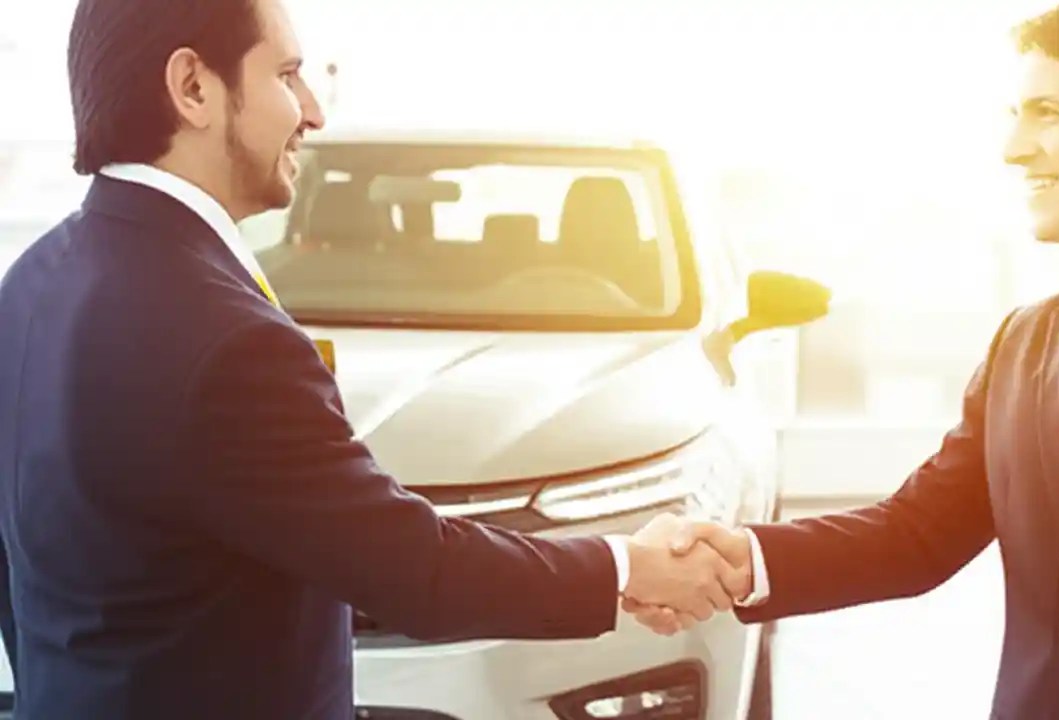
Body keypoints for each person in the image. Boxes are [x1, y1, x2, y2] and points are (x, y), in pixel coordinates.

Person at [0, 1, 744, 718]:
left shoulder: (32, 283)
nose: (312, 110)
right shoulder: (228, 339)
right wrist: (626, 568)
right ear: (194, 87)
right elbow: (416, 570)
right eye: (286, 75)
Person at [633, 0, 1059, 716]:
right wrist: (743, 558)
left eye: (1048, 114)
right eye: (1015, 114)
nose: (1014, 148)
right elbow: (919, 534)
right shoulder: (1026, 343)